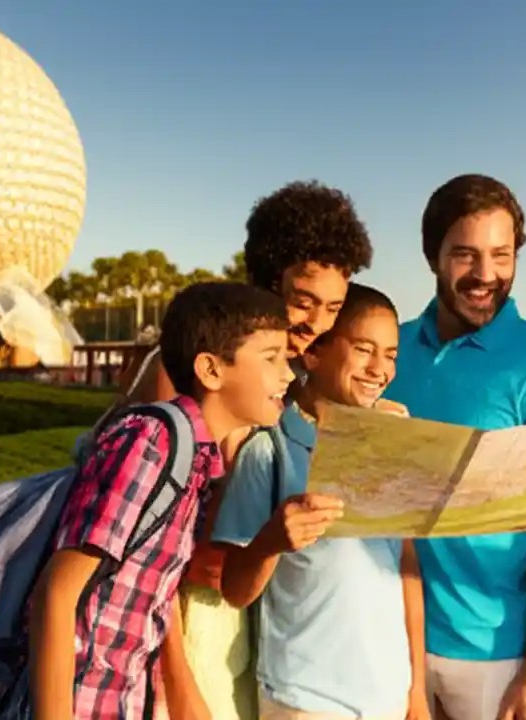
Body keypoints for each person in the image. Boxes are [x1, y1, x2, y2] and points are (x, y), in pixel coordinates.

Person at [126, 181, 375, 720]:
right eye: (303, 301)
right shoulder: (188, 371)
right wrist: (179, 681)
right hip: (180, 624)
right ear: (264, 282)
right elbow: (145, 554)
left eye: (333, 307)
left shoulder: (283, 368)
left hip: (244, 618)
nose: (317, 323)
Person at [26, 282, 297, 720]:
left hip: (122, 700)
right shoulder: (154, 442)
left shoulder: (196, 460)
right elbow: (57, 594)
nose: (288, 374)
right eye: (272, 358)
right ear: (211, 370)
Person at [381, 174, 526, 720]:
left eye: (501, 255)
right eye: (464, 255)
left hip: (490, 655)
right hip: (379, 636)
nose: (485, 275)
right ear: (432, 256)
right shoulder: (386, 350)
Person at [212, 283, 430, 720]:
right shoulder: (268, 450)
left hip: (390, 698)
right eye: (364, 349)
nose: (379, 368)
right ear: (313, 353)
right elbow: (235, 589)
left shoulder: (390, 446)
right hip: (303, 701)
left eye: (390, 354)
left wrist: (416, 690)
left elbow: (404, 570)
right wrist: (271, 542)